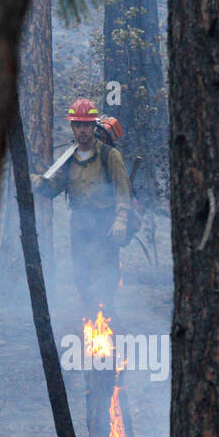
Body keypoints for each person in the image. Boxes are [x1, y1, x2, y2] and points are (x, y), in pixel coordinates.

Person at [32, 98, 132, 313]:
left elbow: (123, 191)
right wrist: (31, 180)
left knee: (106, 271)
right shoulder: (69, 159)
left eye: (87, 125)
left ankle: (106, 313)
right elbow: (51, 188)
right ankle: (90, 313)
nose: (83, 130)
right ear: (72, 127)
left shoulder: (109, 156)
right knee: (81, 272)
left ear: (94, 126)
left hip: (105, 223)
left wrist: (121, 220)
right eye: (78, 125)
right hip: (79, 224)